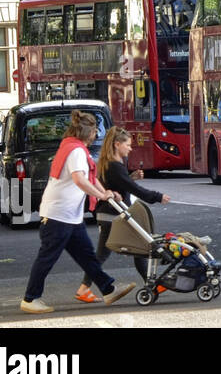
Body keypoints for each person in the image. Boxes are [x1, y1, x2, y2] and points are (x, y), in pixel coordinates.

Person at [20, 111, 136, 314]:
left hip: (68, 215)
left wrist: (106, 193)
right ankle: (30, 298)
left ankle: (108, 289)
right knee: (47, 258)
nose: (96, 135)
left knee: (87, 256)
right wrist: (102, 196)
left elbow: (90, 178)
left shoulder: (71, 146)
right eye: (94, 131)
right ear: (88, 131)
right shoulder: (76, 151)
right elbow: (80, 180)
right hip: (58, 214)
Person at [74, 127, 170, 303]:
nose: (130, 148)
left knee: (133, 248)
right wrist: (157, 197)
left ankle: (84, 288)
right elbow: (134, 190)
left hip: (109, 214)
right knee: (140, 246)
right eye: (127, 144)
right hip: (114, 216)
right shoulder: (115, 166)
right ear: (117, 144)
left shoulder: (109, 164)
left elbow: (119, 185)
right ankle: (152, 284)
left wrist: (131, 177)